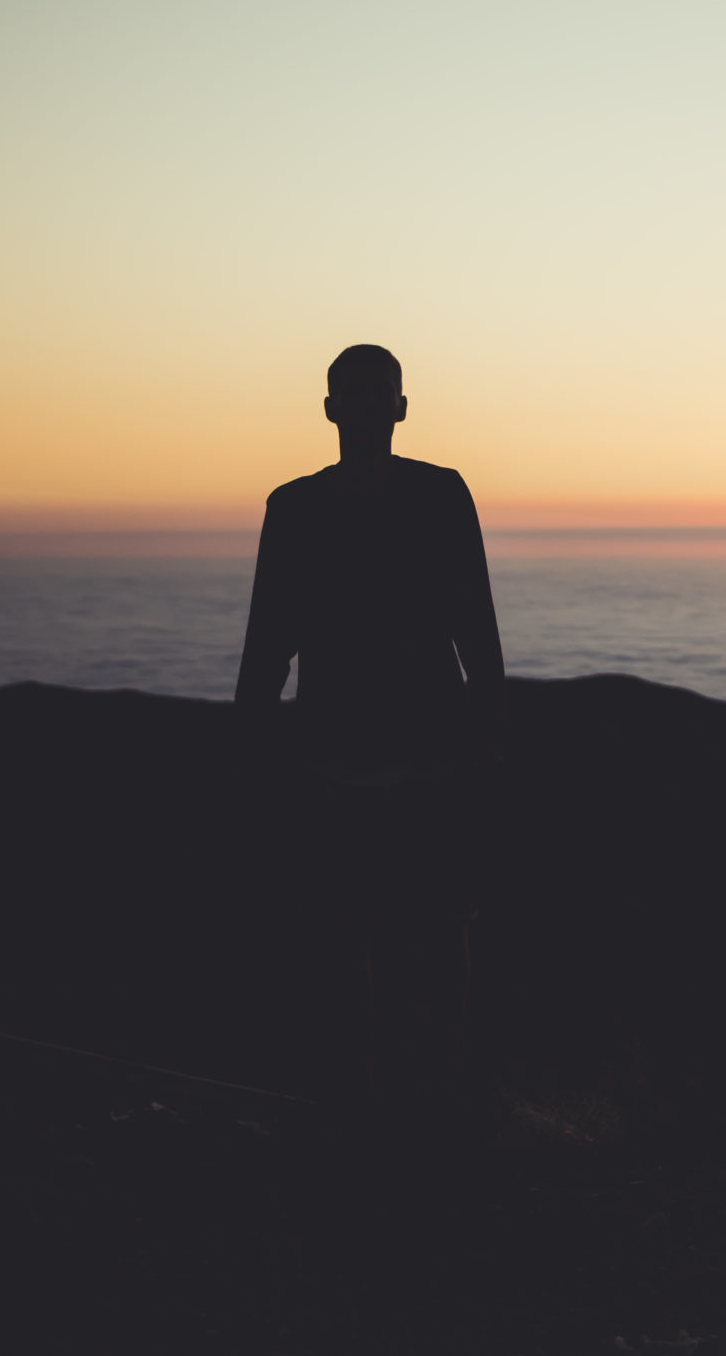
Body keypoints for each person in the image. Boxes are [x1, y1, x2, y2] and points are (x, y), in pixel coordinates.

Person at [235, 343, 506, 1107]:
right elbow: (269, 644)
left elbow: (475, 629)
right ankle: (368, 1110)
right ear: (333, 410)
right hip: (342, 765)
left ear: (396, 407)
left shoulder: (430, 496)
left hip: (417, 767)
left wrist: (488, 744)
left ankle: (414, 1107)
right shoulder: (297, 507)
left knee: (416, 943)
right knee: (348, 947)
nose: (360, 406)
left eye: (371, 392)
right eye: (351, 393)